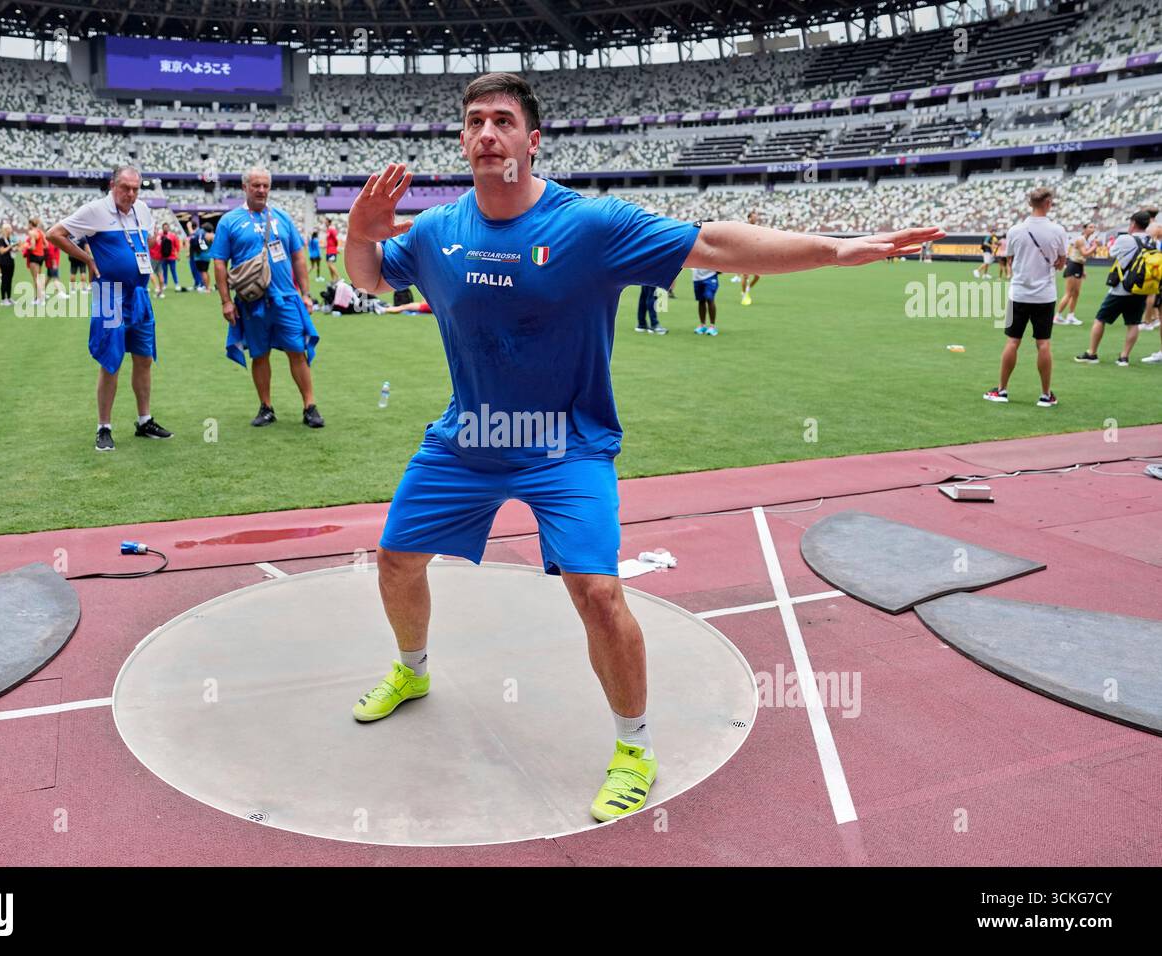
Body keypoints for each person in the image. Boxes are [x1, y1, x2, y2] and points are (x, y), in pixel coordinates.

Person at [344, 72, 941, 823]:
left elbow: (714, 243)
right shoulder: (436, 231)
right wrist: (360, 232)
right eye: (473, 122)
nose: (487, 133)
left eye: (502, 120)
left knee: (597, 592)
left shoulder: (588, 225)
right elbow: (365, 282)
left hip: (568, 444)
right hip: (470, 437)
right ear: (462, 141)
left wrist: (836, 248)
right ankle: (413, 671)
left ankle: (633, 746)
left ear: (533, 139)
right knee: (397, 560)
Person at [47, 165, 174, 452]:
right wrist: (89, 260)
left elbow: (148, 240)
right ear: (112, 185)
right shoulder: (95, 211)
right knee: (110, 361)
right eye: (125, 188)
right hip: (109, 295)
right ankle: (103, 427)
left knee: (144, 359)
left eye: (135, 188)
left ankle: (145, 420)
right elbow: (54, 234)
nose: (130, 194)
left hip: (139, 295)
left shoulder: (142, 209)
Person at [210, 167, 323, 430]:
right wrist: (226, 301)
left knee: (297, 351)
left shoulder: (282, 218)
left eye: (265, 186)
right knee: (259, 355)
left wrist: (306, 294)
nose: (261, 190)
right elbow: (218, 262)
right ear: (245, 187)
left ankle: (310, 406)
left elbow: (298, 256)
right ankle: (266, 407)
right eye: (255, 186)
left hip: (285, 298)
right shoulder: (230, 221)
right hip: (251, 300)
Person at [983, 186, 1067, 408]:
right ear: (1048, 203)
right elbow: (1061, 262)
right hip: (1045, 295)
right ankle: (1045, 394)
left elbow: (1010, 260)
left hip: (1018, 293)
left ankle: (1001, 390)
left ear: (1030, 204)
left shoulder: (1015, 230)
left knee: (1012, 341)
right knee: (1043, 344)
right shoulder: (1058, 230)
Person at [1074, 210, 1153, 367]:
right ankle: (1124, 357)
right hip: (1141, 288)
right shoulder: (1152, 241)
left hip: (1121, 288)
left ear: (1133, 224)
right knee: (1133, 323)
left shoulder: (1125, 239)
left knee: (1100, 319)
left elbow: (1111, 253)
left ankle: (1092, 353)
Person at [1054, 224, 1094, 326]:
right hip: (1073, 266)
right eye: (1090, 227)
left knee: (1076, 293)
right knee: (1069, 293)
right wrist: (1095, 246)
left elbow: (1082, 257)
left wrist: (1083, 270)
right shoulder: (1080, 240)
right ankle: (1057, 316)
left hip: (1079, 266)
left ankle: (1070, 316)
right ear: (1084, 229)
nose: (1093, 229)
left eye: (1093, 227)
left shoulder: (1086, 240)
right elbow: (1084, 253)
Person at [738, 209, 762, 304]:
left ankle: (747, 289)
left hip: (754, 255)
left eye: (756, 217)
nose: (756, 218)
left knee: (757, 276)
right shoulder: (744, 228)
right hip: (745, 254)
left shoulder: (757, 228)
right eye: (754, 216)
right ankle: (744, 294)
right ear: (749, 218)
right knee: (745, 275)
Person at [0, 224, 18, 306]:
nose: (11, 229)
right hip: (4, 262)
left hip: (11, 261)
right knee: (4, 280)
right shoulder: (1, 240)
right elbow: (2, 251)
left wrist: (16, 248)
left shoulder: (10, 239)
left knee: (10, 280)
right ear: (6, 229)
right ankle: (3, 299)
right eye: (10, 228)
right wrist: (11, 246)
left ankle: (9, 297)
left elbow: (11, 249)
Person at [23, 217, 47, 304]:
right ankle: (38, 298)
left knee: (36, 279)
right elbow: (46, 245)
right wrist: (39, 248)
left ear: (30, 224)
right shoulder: (40, 232)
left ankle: (40, 300)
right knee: (39, 278)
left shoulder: (31, 233)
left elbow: (32, 247)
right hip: (41, 256)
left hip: (34, 257)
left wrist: (25, 246)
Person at [155, 222, 182, 296]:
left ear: (168, 228)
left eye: (167, 227)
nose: (165, 228)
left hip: (172, 257)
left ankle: (176, 284)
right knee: (164, 271)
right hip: (163, 257)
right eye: (164, 227)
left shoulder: (172, 236)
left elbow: (177, 245)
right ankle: (165, 284)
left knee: (173, 271)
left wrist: (177, 254)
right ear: (162, 228)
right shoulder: (160, 236)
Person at [692, 267, 719, 335]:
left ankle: (712, 326)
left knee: (710, 298)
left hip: (710, 275)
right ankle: (702, 325)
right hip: (697, 277)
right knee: (701, 300)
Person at [187, 219, 212, 292]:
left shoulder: (200, 234)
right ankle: (207, 286)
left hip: (200, 256)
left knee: (202, 272)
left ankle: (205, 287)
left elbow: (193, 236)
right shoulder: (210, 236)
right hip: (207, 256)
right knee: (206, 271)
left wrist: (189, 227)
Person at [324, 217, 340, 283]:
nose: (325, 222)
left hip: (332, 250)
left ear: (329, 222)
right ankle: (333, 279)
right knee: (328, 265)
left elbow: (336, 239)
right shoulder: (327, 230)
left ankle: (339, 278)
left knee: (330, 264)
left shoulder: (331, 229)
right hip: (328, 250)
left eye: (326, 221)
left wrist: (335, 248)